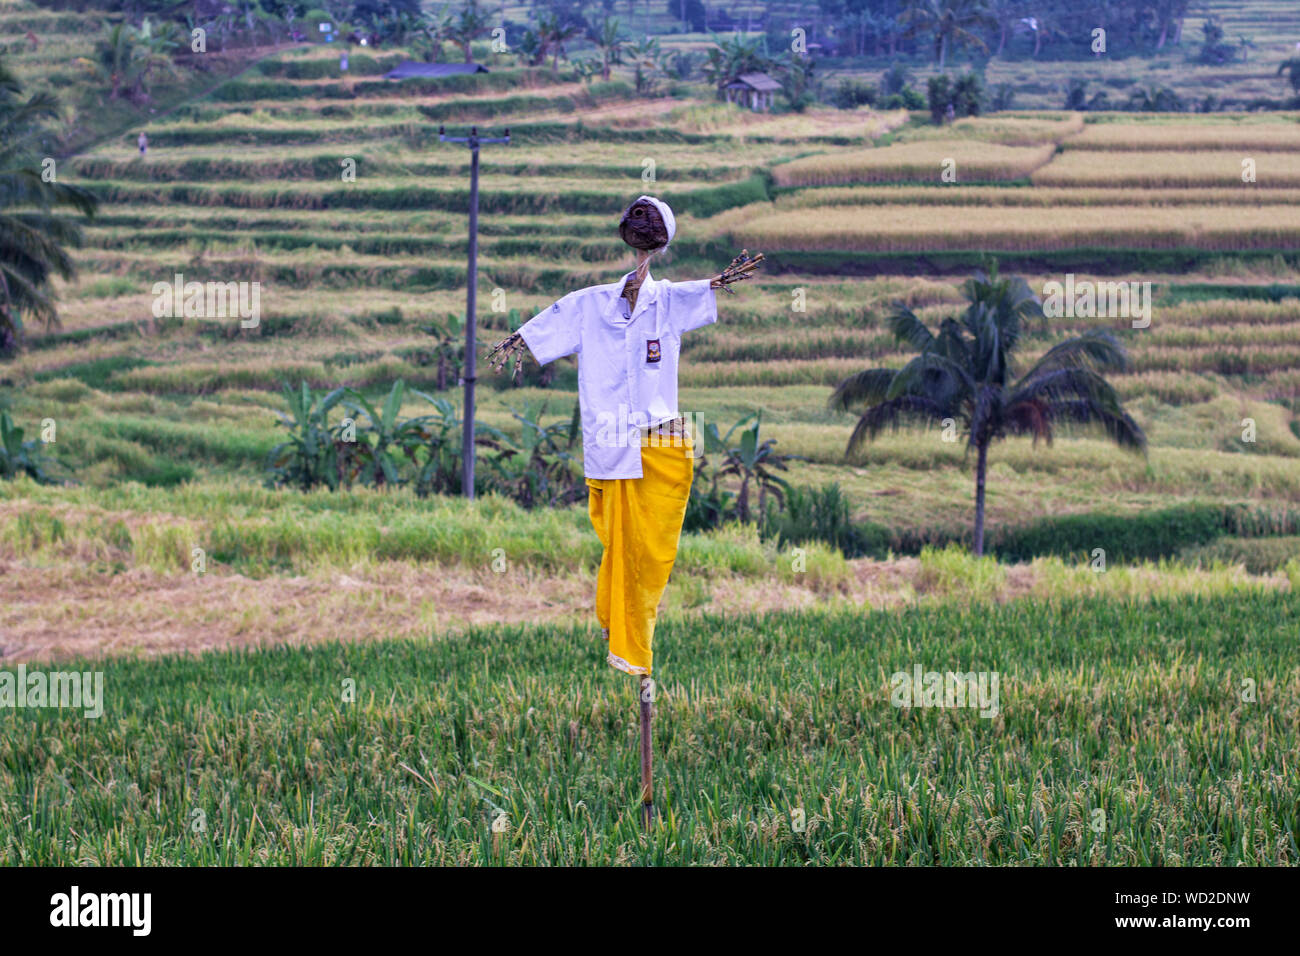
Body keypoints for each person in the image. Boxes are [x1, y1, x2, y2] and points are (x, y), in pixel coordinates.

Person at [488, 197, 761, 677]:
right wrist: (518, 341)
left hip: (660, 445)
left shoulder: (671, 301)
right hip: (611, 449)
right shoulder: (589, 304)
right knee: (620, 548)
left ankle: (633, 640)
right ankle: (623, 637)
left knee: (651, 553)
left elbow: (706, 291)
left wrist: (719, 281)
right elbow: (543, 329)